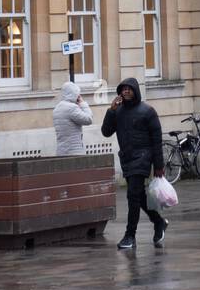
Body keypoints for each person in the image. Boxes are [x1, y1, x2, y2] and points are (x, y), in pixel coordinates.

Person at [101, 77, 168, 250]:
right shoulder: (118, 111)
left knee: (132, 196)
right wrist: (110, 111)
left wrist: (158, 166)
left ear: (135, 91)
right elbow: (106, 132)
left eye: (129, 89)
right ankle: (158, 221)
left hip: (143, 157)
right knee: (140, 197)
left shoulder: (148, 111)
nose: (126, 92)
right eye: (123, 89)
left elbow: (157, 140)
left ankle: (130, 235)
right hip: (127, 158)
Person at [53, 80, 94, 154]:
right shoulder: (72, 108)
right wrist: (82, 103)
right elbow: (88, 119)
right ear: (74, 94)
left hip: (61, 151)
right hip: (74, 151)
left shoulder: (57, 108)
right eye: (78, 94)